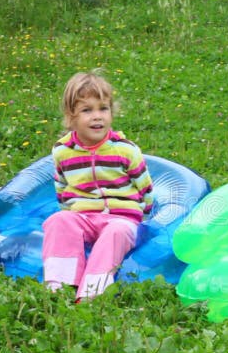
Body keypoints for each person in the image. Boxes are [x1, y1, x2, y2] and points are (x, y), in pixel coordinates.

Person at [41, 71, 154, 301]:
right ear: (70, 116)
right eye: (87, 110)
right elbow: (61, 187)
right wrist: (70, 216)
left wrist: (142, 218)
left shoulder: (125, 150)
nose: (97, 117)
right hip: (84, 216)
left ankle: (93, 290)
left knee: (116, 232)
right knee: (57, 220)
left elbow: (145, 189)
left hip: (121, 219)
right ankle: (60, 286)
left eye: (103, 108)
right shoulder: (62, 152)